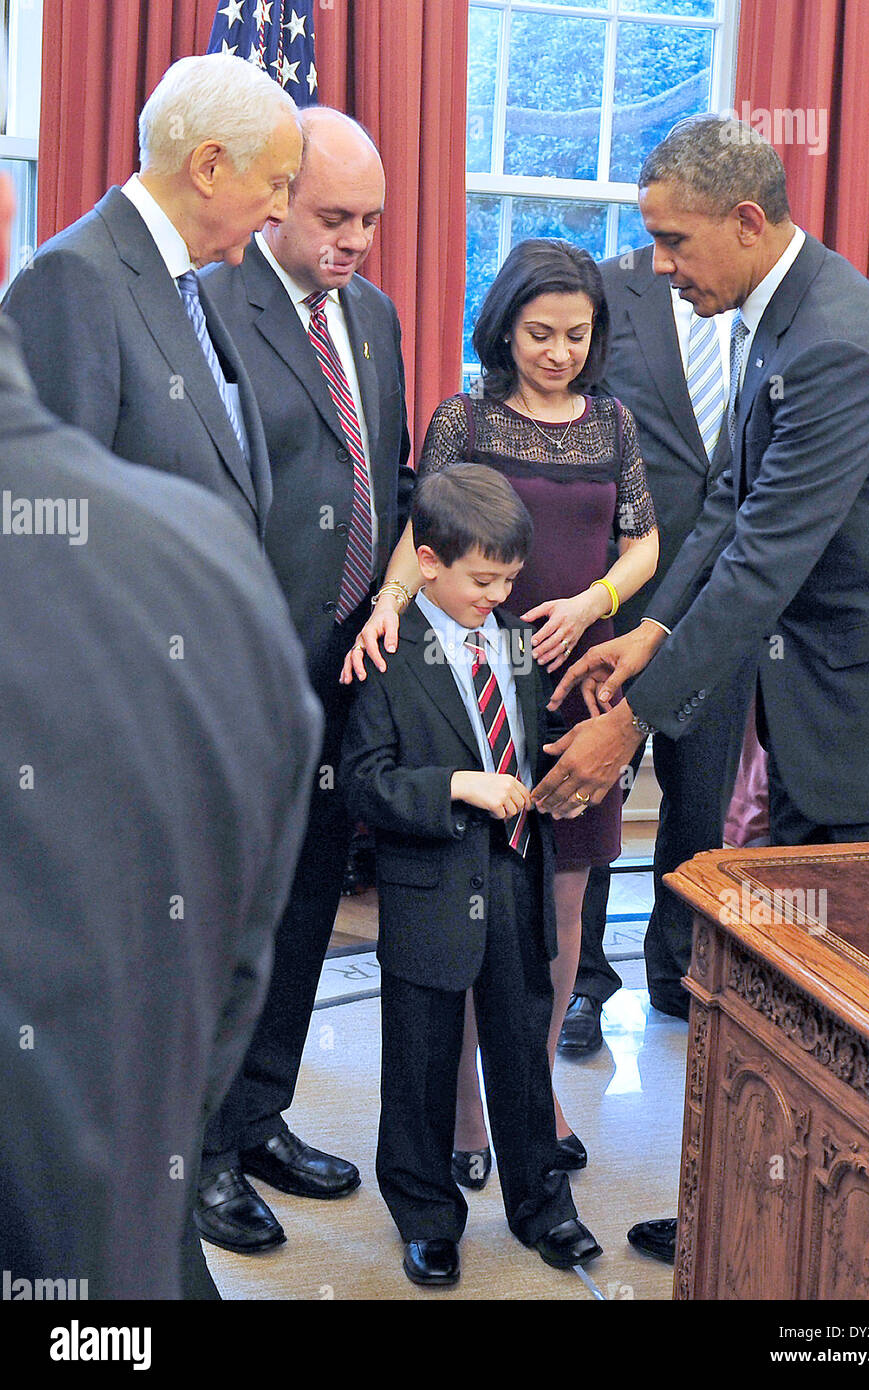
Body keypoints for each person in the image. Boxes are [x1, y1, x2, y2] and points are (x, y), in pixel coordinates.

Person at [536, 115, 869, 1264]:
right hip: (817, 710)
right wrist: (652, 629)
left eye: (673, 243)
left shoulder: (836, 345)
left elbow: (768, 559)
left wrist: (626, 725)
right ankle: (755, 1209)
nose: (659, 268)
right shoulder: (775, 317)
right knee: (783, 995)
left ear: (748, 221)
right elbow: (726, 500)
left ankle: (848, 1257)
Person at [0, 164, 321, 1298]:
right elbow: (222, 975)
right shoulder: (78, 286)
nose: (283, 209)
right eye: (279, 180)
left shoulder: (209, 290)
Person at [344, 238, 658, 1178]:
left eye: (577, 334)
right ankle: (469, 1111)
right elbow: (420, 537)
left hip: (576, 684)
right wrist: (388, 611)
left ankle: (535, 1088)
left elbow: (644, 545)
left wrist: (593, 601)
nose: (559, 352)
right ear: (504, 327)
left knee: (561, 906)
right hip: (468, 690)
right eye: (539, 333)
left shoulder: (613, 426)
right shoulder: (464, 419)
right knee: (478, 905)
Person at [195, 107, 412, 1254]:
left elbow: (394, 473)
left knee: (309, 904)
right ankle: (203, 1155)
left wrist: (395, 591)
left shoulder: (371, 316)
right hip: (246, 676)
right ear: (276, 201)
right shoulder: (210, 308)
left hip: (350, 670)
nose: (355, 241)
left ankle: (261, 1113)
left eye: (371, 221)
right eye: (335, 217)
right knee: (231, 921)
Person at [340, 465, 602, 1287]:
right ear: (427, 562)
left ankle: (542, 1207)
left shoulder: (518, 642)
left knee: (523, 1051)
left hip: (517, 877)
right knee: (416, 1063)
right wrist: (455, 785)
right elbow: (362, 781)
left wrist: (570, 741)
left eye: (509, 580)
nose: (497, 594)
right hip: (430, 888)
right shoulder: (387, 653)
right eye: (482, 580)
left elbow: (528, 735)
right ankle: (425, 1215)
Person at [559, 242, 751, 1054]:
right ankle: (581, 985)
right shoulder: (609, 287)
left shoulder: (768, 304)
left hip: (730, 594)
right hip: (621, 594)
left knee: (699, 797)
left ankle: (677, 971)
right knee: (597, 788)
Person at [1, 53, 303, 538]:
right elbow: (48, 525)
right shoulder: (72, 278)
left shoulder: (183, 279)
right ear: (208, 168)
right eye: (276, 184)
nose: (282, 210)